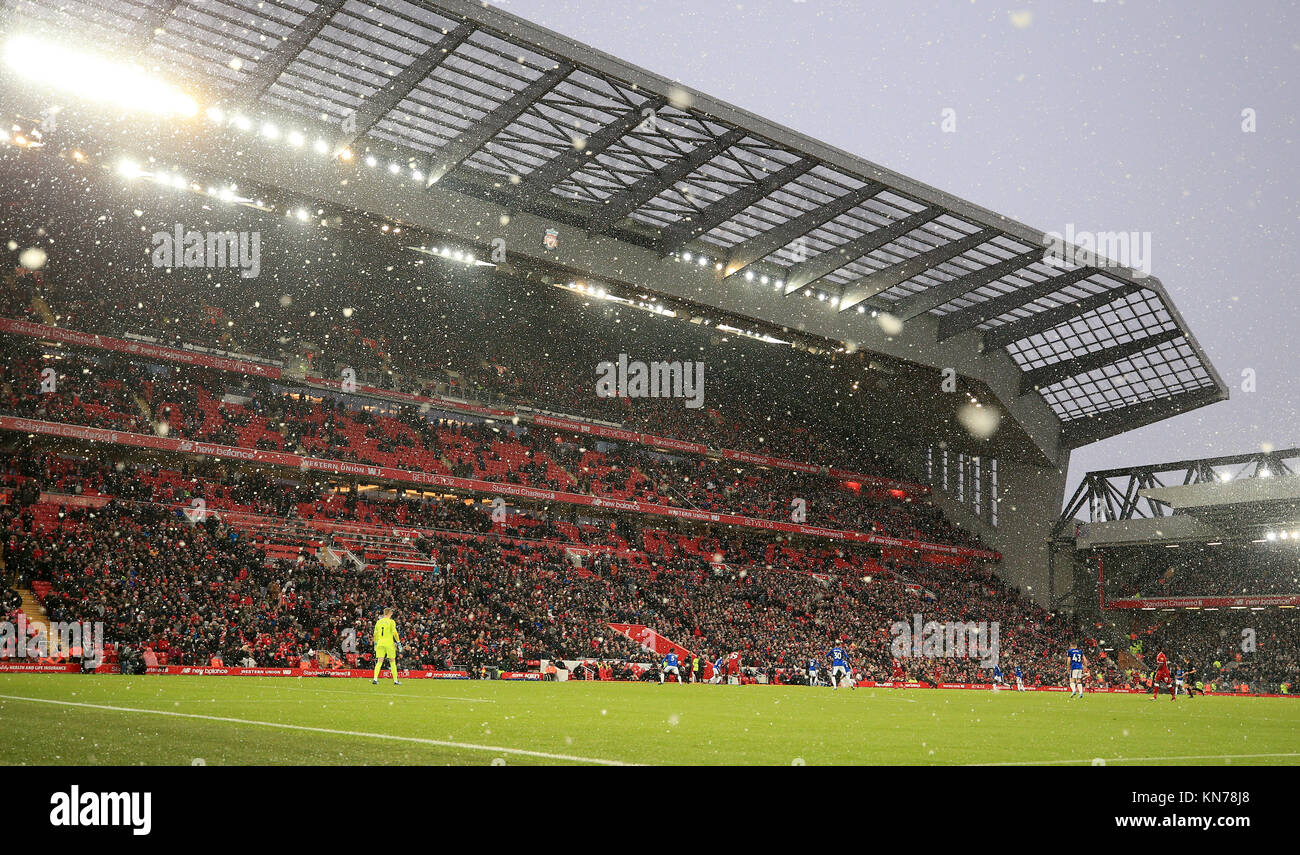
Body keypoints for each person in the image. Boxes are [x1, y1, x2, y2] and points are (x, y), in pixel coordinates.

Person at [372, 607, 401, 686]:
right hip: (389, 644)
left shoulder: (378, 622)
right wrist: (398, 642)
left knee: (379, 661)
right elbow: (395, 633)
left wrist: (375, 643)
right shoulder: (391, 622)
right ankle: (395, 680)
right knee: (392, 661)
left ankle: (375, 678)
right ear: (390, 613)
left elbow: (375, 634)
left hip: (380, 643)